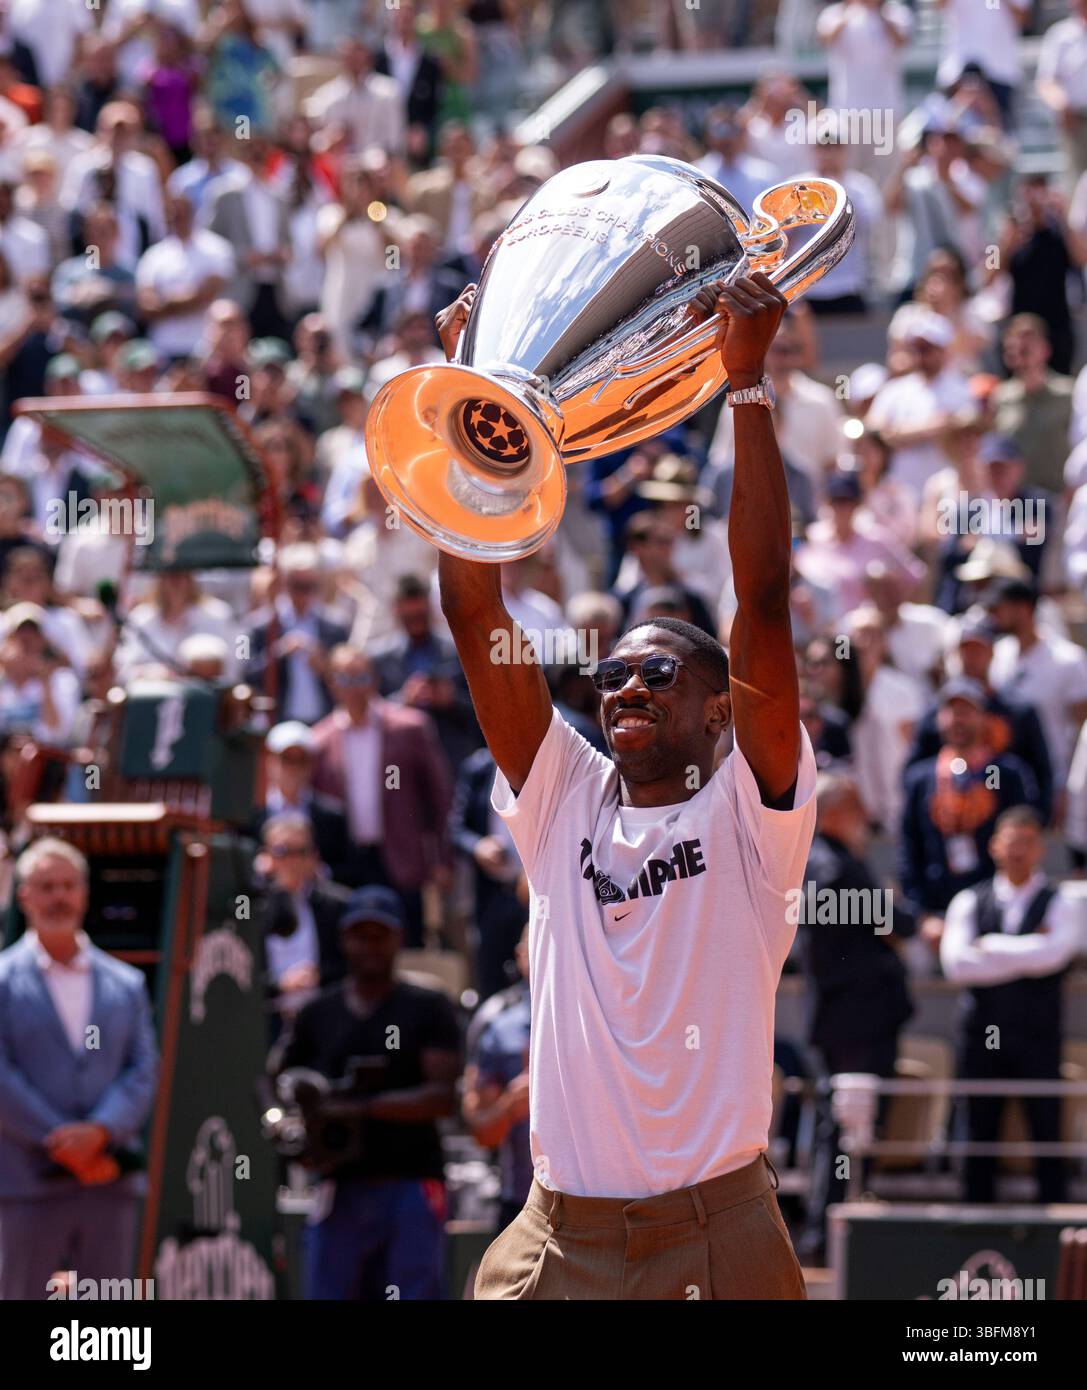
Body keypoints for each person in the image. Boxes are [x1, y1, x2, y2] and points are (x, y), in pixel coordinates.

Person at [436, 274, 815, 1300]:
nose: (624, 688)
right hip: (557, 1234)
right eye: (609, 674)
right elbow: (476, 610)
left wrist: (744, 383)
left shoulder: (750, 808)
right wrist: (474, 405)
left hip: (714, 1233)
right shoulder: (565, 795)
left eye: (658, 672)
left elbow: (765, 604)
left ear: (720, 709)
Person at [267, 884, 460, 1300]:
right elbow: (276, 1082)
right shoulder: (316, 1012)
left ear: (399, 938)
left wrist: (360, 1107)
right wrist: (297, 1121)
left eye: (380, 934)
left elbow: (443, 1097)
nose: (370, 945)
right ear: (343, 939)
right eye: (360, 935)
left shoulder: (429, 1006)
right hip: (338, 1187)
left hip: (411, 1181)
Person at [0, 837, 158, 1298]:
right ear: (24, 895)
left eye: (68, 885)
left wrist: (101, 1134)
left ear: (85, 894)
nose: (59, 897)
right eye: (46, 886)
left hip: (108, 1180)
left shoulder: (126, 984)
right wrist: (63, 1142)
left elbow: (142, 1069)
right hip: (27, 1180)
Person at [795, 771, 916, 1263]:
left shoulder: (819, 862)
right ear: (839, 811)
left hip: (843, 1020)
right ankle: (832, 1236)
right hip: (855, 1024)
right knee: (846, 1130)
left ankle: (830, 1232)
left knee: (841, 1129)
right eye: (858, 806)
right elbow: (895, 922)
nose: (866, 817)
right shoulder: (835, 866)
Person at [941, 807, 1081, 1203]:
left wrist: (993, 948)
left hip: (1038, 1036)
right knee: (979, 1130)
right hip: (981, 1037)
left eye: (1027, 843)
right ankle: (973, 1222)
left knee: (1045, 1129)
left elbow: (1054, 955)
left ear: (1040, 849)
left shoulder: (1061, 902)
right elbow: (957, 965)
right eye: (1011, 842)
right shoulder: (969, 899)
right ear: (994, 846)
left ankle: (1053, 1230)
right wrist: (1027, 952)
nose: (1018, 852)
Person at [311, 644, 453, 945]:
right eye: (344, 679)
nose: (353, 689)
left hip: (401, 859)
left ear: (374, 679)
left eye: (360, 678)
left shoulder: (409, 727)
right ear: (331, 684)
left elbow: (439, 798)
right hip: (346, 865)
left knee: (409, 945)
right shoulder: (320, 741)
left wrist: (442, 859)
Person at [463, 926, 531, 1232]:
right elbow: (482, 1131)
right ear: (520, 956)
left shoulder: (607, 1018)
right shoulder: (498, 1027)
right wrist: (510, 1105)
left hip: (600, 1203)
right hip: (521, 1206)